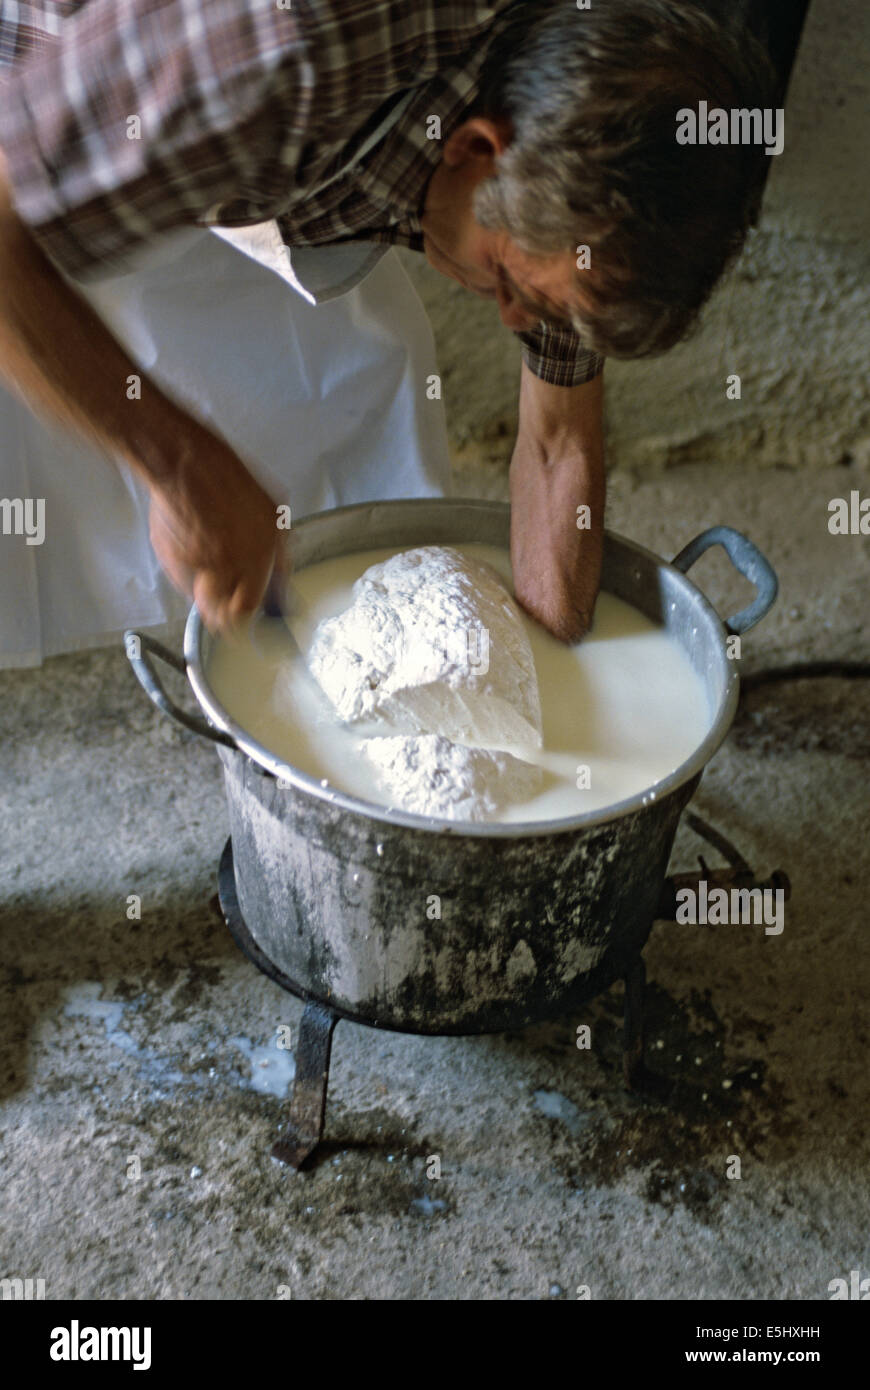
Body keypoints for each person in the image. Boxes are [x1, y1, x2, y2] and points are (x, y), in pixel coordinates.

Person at [0, 0, 773, 665]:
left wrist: (549, 682)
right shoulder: (287, 49)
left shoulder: (585, 162)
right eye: (506, 282)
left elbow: (558, 442)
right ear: (476, 147)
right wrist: (176, 465)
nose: (512, 321)